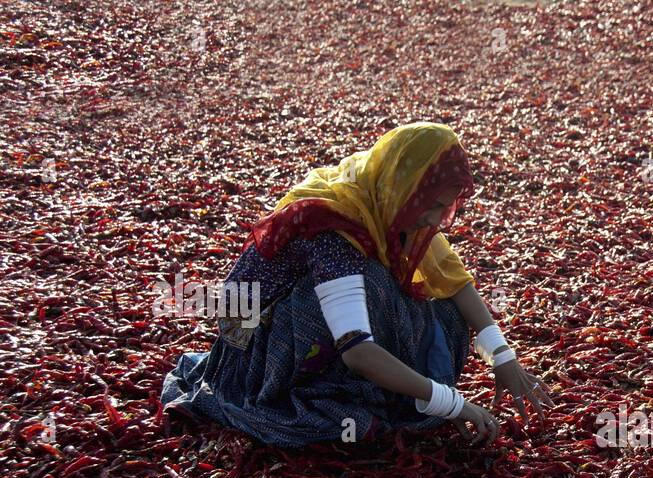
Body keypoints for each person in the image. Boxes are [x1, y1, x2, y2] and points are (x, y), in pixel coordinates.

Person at [160, 122, 552, 447]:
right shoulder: (336, 226)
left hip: (316, 329)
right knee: (375, 286)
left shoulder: (390, 206)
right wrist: (452, 404)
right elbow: (357, 352)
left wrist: (502, 357)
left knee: (441, 307)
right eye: (430, 205)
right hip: (256, 349)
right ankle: (322, 391)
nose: (435, 219)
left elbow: (457, 284)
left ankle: (389, 389)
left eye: (443, 208)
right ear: (405, 188)